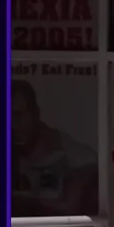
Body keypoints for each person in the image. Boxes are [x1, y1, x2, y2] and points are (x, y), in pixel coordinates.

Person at [11, 79, 98, 218]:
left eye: (17, 116)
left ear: (35, 115)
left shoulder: (62, 148)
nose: (11, 124)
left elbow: (94, 166)